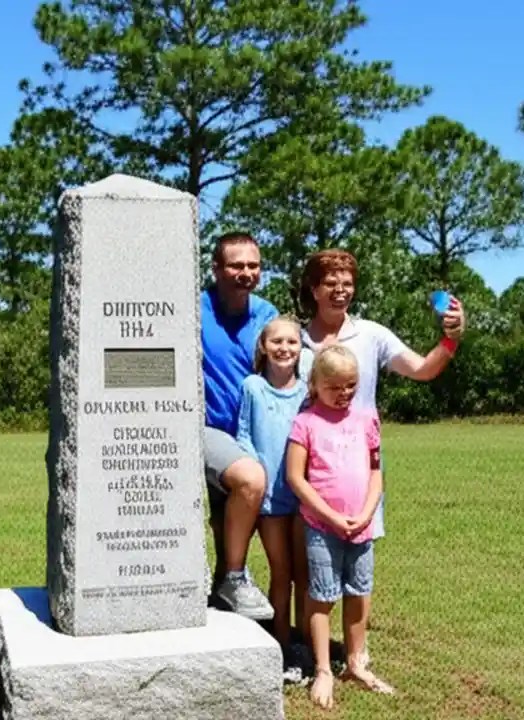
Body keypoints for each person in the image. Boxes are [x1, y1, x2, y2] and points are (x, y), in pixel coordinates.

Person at [295, 249, 465, 669]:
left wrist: (451, 339)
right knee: (308, 565)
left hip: (359, 471)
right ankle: (305, 650)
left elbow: (424, 369)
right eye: (330, 283)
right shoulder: (293, 339)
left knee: (359, 569)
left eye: (347, 283)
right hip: (306, 466)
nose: (340, 290)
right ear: (313, 289)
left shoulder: (372, 334)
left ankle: (356, 654)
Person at [286, 344, 393, 708]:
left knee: (359, 592)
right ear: (315, 384)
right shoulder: (306, 423)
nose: (344, 394)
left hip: (362, 526)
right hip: (321, 526)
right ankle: (323, 670)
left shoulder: (366, 420)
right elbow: (295, 478)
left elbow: (376, 472)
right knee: (322, 595)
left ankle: (355, 662)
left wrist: (366, 513)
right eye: (335, 387)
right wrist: (331, 517)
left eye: (351, 386)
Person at [201, 231, 277, 620]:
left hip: (255, 432)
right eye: (236, 265)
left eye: (253, 265)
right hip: (207, 430)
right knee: (249, 480)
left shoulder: (267, 315)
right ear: (216, 269)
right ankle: (234, 577)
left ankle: (224, 591)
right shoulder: (193, 309)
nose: (246, 272)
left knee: (226, 518)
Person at [234, 315, 308, 676]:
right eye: (277, 341)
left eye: (292, 342)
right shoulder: (252, 387)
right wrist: (257, 473)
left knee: (304, 572)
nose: (284, 348)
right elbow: (244, 434)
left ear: (301, 347)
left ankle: (306, 642)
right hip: (270, 499)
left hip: (305, 498)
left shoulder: (308, 390)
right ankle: (280, 645)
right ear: (264, 346)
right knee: (281, 571)